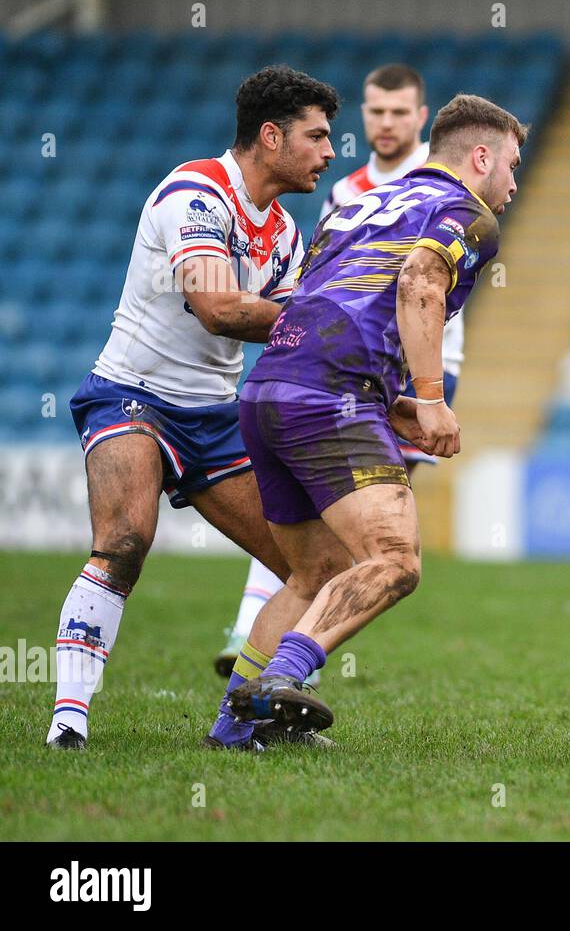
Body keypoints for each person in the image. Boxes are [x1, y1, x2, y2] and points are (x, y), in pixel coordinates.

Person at [205, 95, 525, 743]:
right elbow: (418, 285)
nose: (514, 184)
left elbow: (309, 303)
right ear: (481, 156)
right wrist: (431, 397)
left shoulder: (357, 206)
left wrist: (386, 398)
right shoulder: (468, 213)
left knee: (314, 572)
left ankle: (234, 730)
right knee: (395, 560)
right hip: (329, 396)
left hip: (268, 390)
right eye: (512, 166)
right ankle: (279, 682)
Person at [47, 66, 342, 750]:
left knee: (314, 564)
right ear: (270, 136)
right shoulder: (195, 194)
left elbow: (292, 333)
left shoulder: (289, 235)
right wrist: (321, 323)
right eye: (317, 136)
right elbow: (219, 309)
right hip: (133, 396)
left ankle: (250, 717)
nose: (331, 151)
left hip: (215, 418)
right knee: (126, 538)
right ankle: (68, 722)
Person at [213, 63, 467, 677]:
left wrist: (426, 387)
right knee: (383, 555)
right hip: (344, 377)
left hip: (379, 372)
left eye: (400, 112)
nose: (386, 123)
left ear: (421, 119)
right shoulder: (348, 188)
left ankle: (261, 685)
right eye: (375, 111)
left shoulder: (431, 183)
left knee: (328, 552)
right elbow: (383, 285)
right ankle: (285, 667)